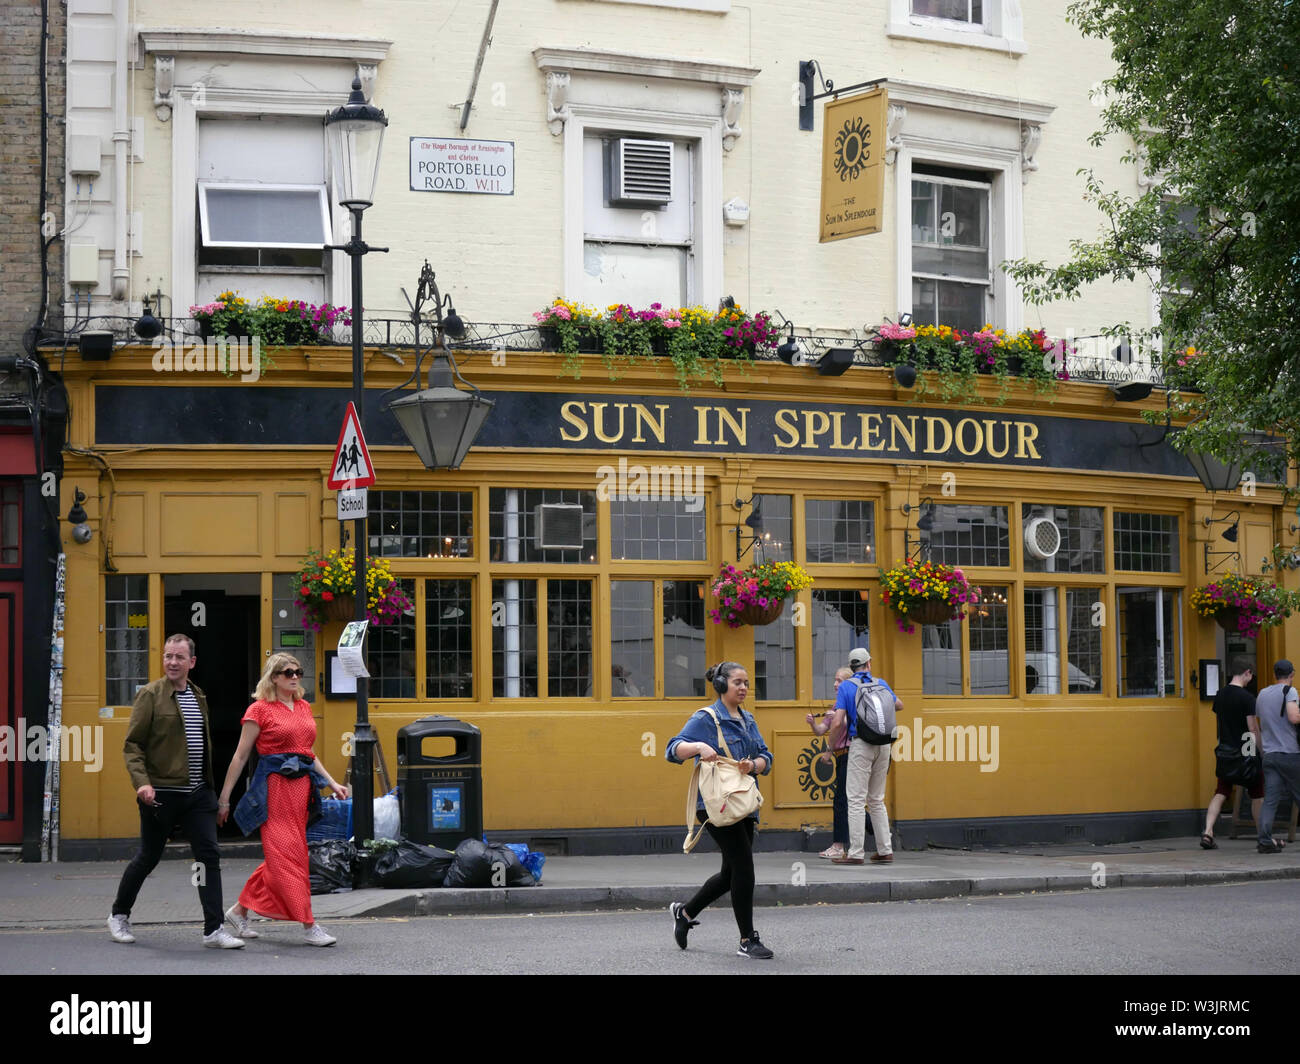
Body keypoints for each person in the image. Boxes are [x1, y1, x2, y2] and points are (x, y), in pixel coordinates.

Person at [109, 634, 245, 948]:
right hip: (161, 794)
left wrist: (216, 796)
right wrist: (141, 782)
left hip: (198, 794)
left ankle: (213, 929)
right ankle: (119, 914)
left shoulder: (199, 695)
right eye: (168, 656)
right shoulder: (150, 695)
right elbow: (132, 745)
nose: (172, 662)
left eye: (179, 657)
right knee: (149, 857)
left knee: (207, 857)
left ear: (191, 662)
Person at [218, 653, 349, 945]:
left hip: (301, 791)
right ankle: (309, 925)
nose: (294, 676)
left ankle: (239, 911)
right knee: (291, 858)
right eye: (287, 672)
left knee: (286, 856)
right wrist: (225, 798)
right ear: (273, 677)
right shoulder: (259, 710)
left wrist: (332, 782)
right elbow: (240, 756)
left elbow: (307, 753)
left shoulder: (303, 707)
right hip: (274, 789)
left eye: (298, 672)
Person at [665, 661, 775, 960]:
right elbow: (672, 749)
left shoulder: (748, 719)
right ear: (721, 684)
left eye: (747, 683)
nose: (743, 688)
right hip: (714, 805)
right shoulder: (706, 718)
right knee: (744, 867)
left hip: (743, 804)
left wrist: (754, 765)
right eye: (738, 682)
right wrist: (700, 747)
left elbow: (766, 755)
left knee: (731, 874)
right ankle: (747, 940)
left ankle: (685, 913)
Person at [828, 647, 902, 865]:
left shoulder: (847, 687)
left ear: (851, 667)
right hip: (885, 744)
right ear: (869, 663)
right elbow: (899, 705)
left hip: (861, 744)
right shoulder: (881, 683)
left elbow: (838, 721)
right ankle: (885, 850)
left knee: (856, 799)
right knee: (877, 799)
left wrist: (830, 747)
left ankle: (856, 853)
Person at [1200, 655, 1260, 849]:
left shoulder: (1220, 695)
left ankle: (1208, 831)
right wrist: (1259, 750)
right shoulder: (1247, 697)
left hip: (1225, 747)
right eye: (1252, 675)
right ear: (1247, 673)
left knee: (1221, 791)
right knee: (1257, 792)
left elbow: (1221, 723)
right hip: (1245, 745)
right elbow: (1252, 728)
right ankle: (1263, 836)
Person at [807, 666, 853, 859]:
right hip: (841, 755)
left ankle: (838, 846)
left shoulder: (852, 703)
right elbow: (820, 731)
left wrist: (838, 720)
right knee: (850, 801)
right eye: (835, 680)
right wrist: (812, 723)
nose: (835, 684)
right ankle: (878, 829)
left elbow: (845, 725)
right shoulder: (836, 706)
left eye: (839, 680)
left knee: (842, 800)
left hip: (852, 753)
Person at [1255, 659, 1300, 854]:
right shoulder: (1290, 691)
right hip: (1289, 753)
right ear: (1291, 675)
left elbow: (1260, 720)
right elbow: (1293, 717)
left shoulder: (1262, 694)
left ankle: (1264, 840)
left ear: (1274, 674)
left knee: (1271, 800)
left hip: (1270, 754)